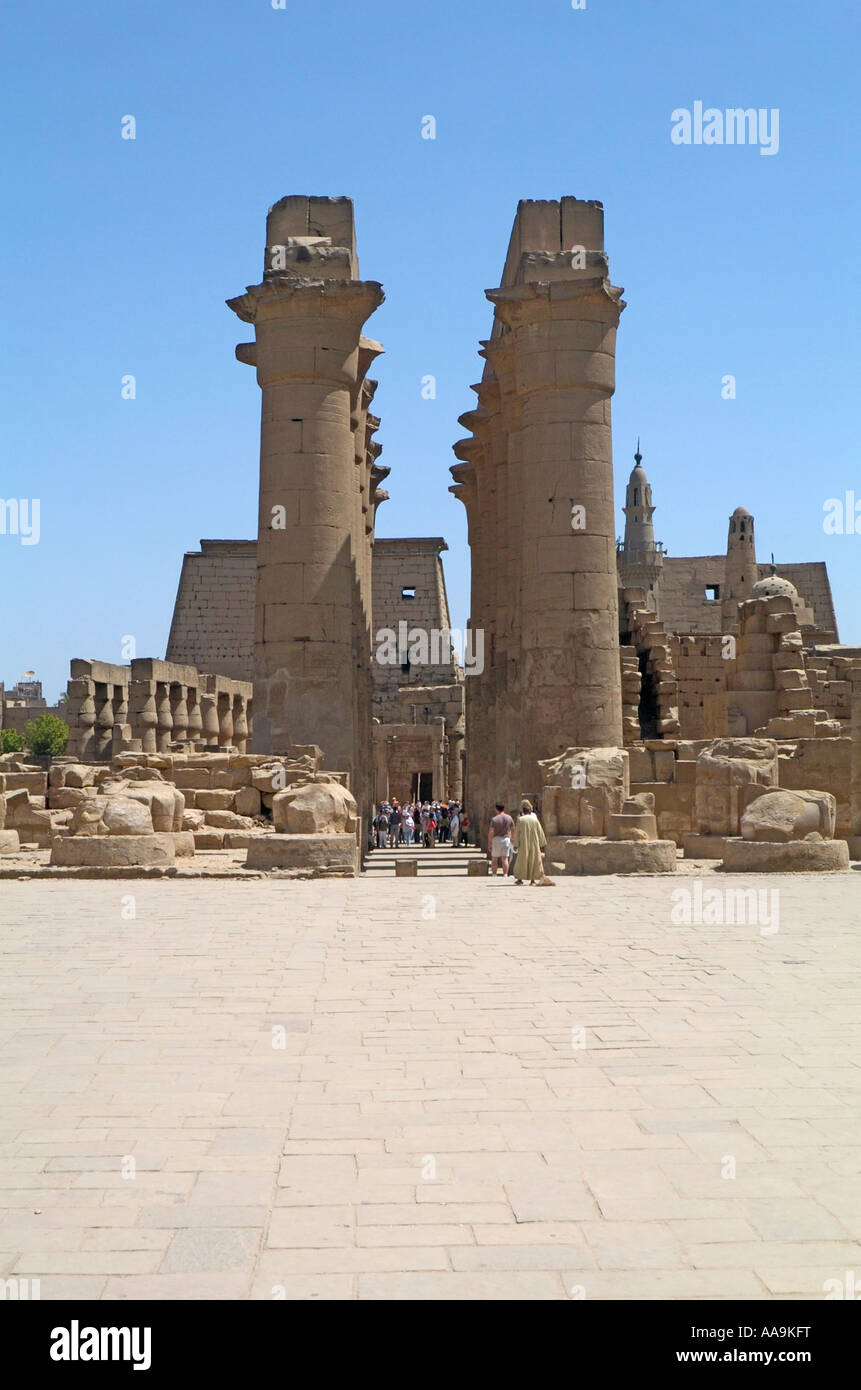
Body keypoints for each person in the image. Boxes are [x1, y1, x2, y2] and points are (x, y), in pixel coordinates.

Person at [513, 799, 548, 885]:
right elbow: (540, 831)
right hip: (534, 843)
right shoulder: (535, 820)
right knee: (534, 861)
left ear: (523, 811)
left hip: (524, 844)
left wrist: (516, 844)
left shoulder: (520, 820)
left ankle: (520, 879)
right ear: (530, 811)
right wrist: (542, 843)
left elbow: (517, 832)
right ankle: (532, 880)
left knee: (522, 861)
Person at [487, 801, 514, 877]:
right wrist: (512, 837)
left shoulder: (494, 819)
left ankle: (494, 874)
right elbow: (513, 828)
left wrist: (490, 843)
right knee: (505, 858)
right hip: (506, 839)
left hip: (496, 839)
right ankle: (505, 874)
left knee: (494, 858)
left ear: (496, 809)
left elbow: (491, 831)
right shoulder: (509, 818)